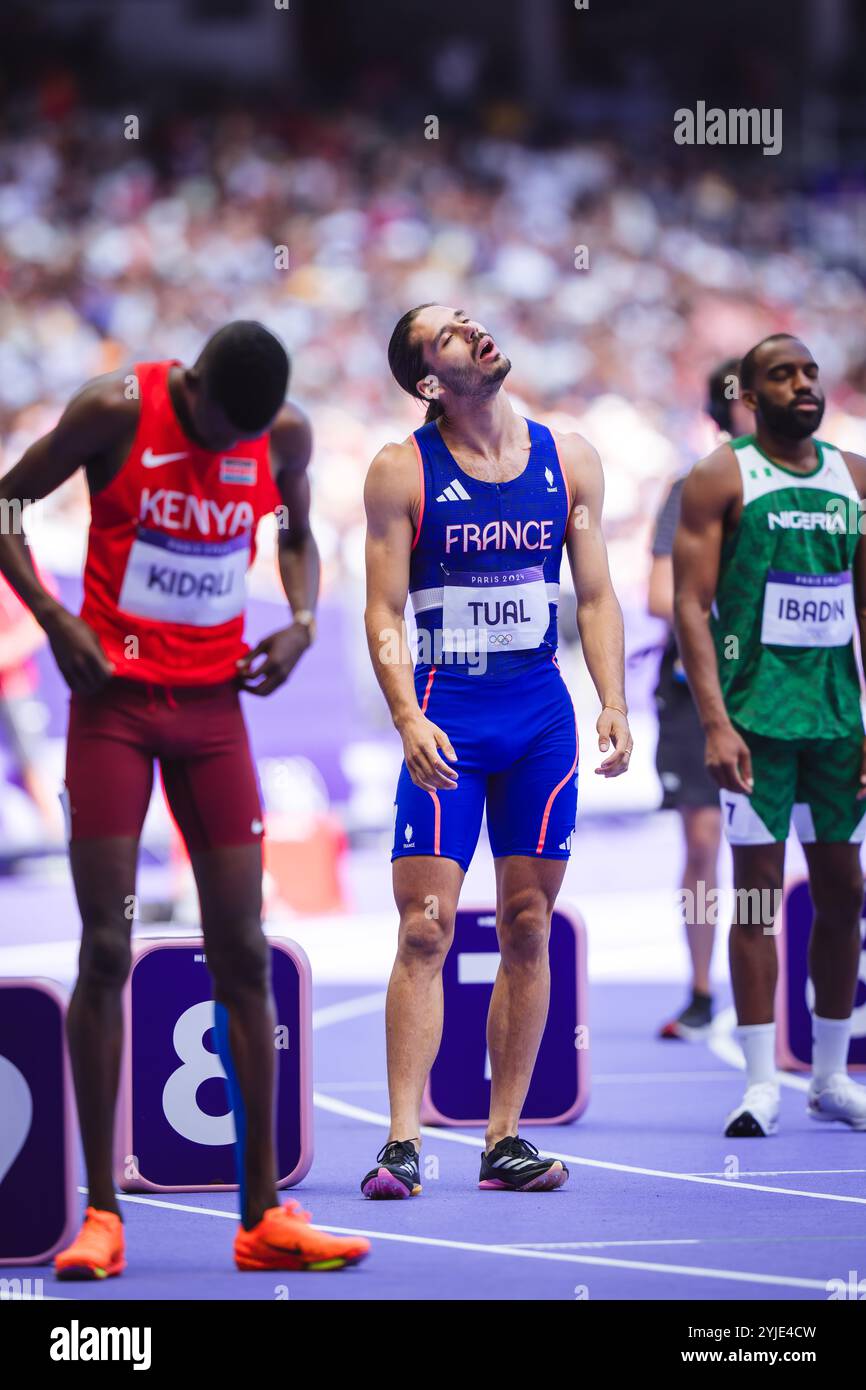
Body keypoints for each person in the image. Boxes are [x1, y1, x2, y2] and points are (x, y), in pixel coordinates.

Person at [0, 321, 370, 1273]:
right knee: (108, 946)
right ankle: (102, 1214)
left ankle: (263, 1219)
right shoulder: (111, 410)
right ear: (190, 384)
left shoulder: (277, 433)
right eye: (209, 432)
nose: (220, 453)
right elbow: (5, 507)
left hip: (213, 717)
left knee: (243, 950)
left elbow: (298, 531)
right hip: (113, 709)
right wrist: (51, 621)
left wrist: (295, 620)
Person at [361, 304, 632, 1196]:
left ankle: (503, 1139)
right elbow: (384, 611)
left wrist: (613, 703)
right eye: (447, 334)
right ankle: (403, 1140)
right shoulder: (402, 468)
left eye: (467, 318)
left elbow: (593, 597)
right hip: (449, 713)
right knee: (424, 929)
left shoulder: (571, 458)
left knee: (526, 923)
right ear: (431, 380)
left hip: (540, 716)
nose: (472, 329)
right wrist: (405, 715)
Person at [674, 332, 866, 1137]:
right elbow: (690, 605)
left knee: (845, 895)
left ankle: (828, 1074)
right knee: (753, 894)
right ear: (749, 397)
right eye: (782, 376)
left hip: (836, 723)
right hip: (754, 725)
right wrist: (714, 723)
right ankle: (760, 1083)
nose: (803, 385)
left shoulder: (854, 476)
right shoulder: (723, 475)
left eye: (810, 373)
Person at [652, 360, 752, 1040]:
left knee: (770, 842)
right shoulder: (688, 489)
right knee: (702, 839)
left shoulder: (807, 487)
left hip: (775, 689)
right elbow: (661, 594)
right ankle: (699, 988)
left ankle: (765, 986)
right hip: (693, 691)